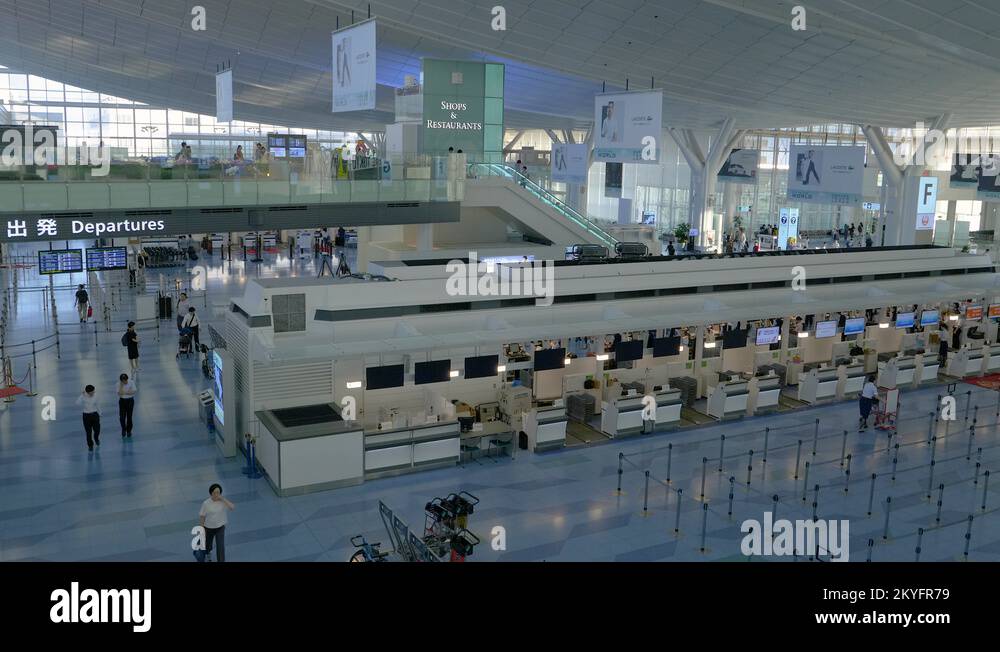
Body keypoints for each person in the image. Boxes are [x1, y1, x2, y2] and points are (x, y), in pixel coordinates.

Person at [199, 484, 235, 562]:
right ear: (211, 493)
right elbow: (202, 516)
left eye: (218, 492)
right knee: (208, 544)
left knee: (220, 546)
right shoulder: (206, 503)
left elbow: (232, 507)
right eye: (214, 493)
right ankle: (208, 552)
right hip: (208, 528)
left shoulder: (222, 502)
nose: (216, 495)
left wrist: (223, 499)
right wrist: (201, 529)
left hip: (220, 528)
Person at [76, 385, 101, 451]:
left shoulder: (96, 395)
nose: (93, 392)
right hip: (86, 416)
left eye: (94, 391)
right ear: (88, 392)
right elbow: (77, 403)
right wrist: (81, 396)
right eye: (92, 392)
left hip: (95, 414)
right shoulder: (83, 396)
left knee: (97, 430)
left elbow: (98, 404)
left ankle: (96, 438)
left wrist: (100, 413)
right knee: (88, 432)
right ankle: (90, 445)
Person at [117, 373, 136, 439]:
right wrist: (122, 387)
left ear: (127, 379)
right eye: (123, 381)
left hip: (130, 401)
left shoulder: (131, 382)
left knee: (129, 417)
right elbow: (119, 394)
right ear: (121, 381)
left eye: (125, 380)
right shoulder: (118, 384)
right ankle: (123, 429)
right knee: (122, 417)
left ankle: (129, 431)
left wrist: (124, 393)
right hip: (122, 401)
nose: (124, 382)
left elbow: (134, 391)